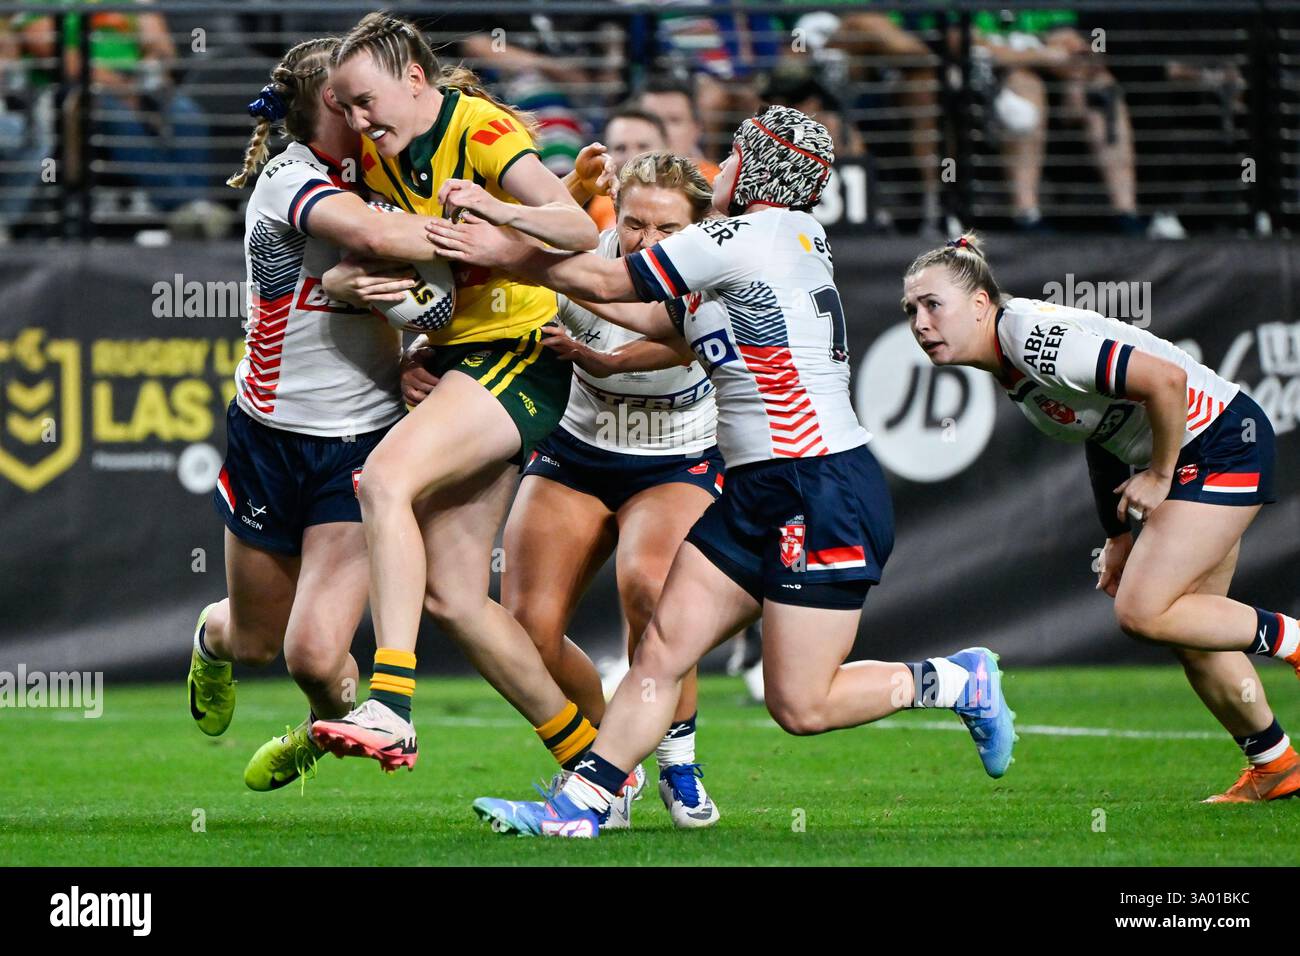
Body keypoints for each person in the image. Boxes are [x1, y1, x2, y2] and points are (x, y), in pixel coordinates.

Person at [428, 105, 1018, 838]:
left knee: (800, 705)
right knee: (663, 648)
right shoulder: (784, 237)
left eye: (733, 155)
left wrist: (502, 243)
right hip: (759, 486)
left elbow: (614, 286)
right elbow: (665, 322)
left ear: (749, 167)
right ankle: (582, 805)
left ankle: (956, 680)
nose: (721, 167)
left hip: (816, 483)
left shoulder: (739, 236)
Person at [308, 13, 608, 781]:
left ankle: (393, 707)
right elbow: (421, 285)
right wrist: (412, 342)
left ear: (415, 79)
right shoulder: (382, 162)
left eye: (368, 101)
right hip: (460, 359)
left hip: (520, 352)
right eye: (346, 108)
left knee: (384, 479)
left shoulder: (477, 127)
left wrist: (497, 213)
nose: (361, 121)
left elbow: (574, 226)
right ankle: (599, 766)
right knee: (455, 598)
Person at [902, 234, 1300, 802]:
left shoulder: (1033, 340)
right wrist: (1116, 537)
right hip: (1198, 447)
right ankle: (1276, 765)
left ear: (981, 304)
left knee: (1144, 610)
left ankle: (1293, 641)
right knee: (1192, 628)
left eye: (932, 304)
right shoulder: (1010, 359)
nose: (920, 323)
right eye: (911, 310)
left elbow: (1166, 382)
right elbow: (1102, 432)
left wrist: (1161, 477)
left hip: (1219, 442)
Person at [187, 36, 445, 792]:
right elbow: (370, 233)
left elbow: (440, 292)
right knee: (256, 639)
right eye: (358, 98)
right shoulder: (287, 175)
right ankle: (210, 639)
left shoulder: (393, 169)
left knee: (312, 656)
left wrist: (415, 327)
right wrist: (481, 231)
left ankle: (316, 735)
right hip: (270, 432)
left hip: (360, 440)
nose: (372, 110)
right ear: (332, 102)